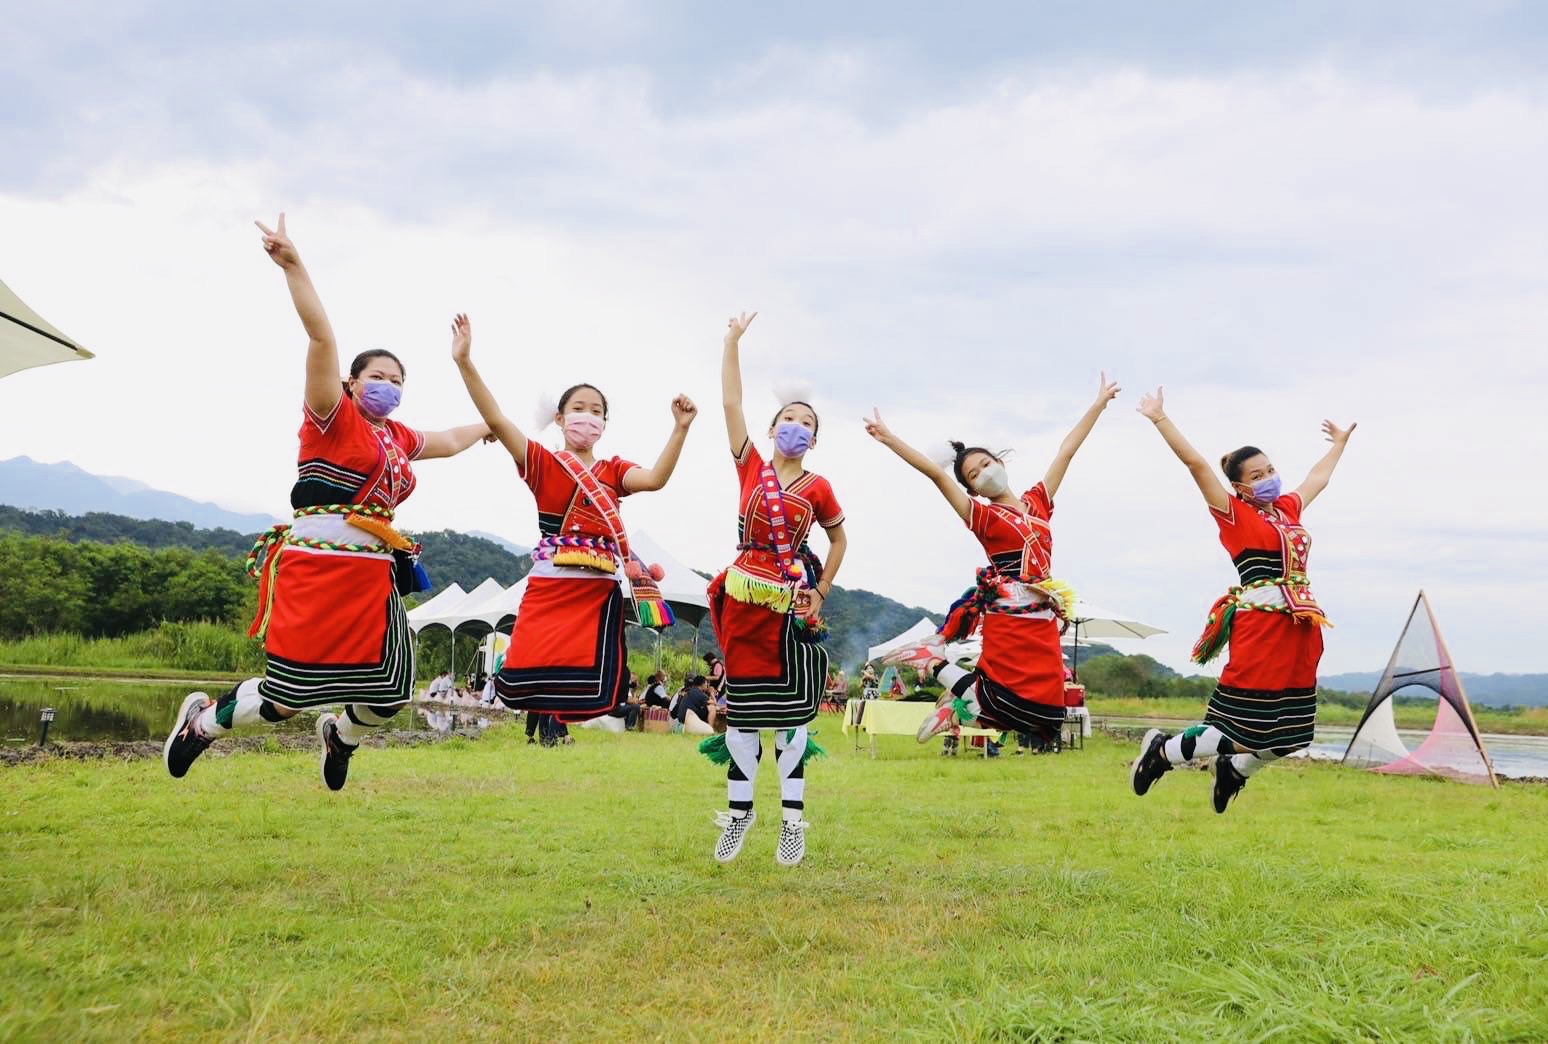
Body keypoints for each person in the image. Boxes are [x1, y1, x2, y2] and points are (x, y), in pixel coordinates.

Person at [163, 214, 491, 790]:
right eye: (378, 375)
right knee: (288, 694)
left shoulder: (397, 438)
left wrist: (493, 424)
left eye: (398, 379)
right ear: (352, 382)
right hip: (318, 569)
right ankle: (201, 725)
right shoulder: (330, 418)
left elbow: (448, 441)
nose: (388, 385)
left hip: (374, 576)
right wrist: (294, 265)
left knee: (391, 689)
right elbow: (321, 338)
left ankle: (341, 736)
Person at [451, 314, 698, 728]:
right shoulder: (543, 463)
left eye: (597, 410)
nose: (589, 416)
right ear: (560, 419)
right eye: (579, 409)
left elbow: (654, 479)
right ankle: (542, 723)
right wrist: (465, 363)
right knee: (522, 673)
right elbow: (496, 419)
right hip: (552, 583)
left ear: (604, 423)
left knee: (599, 687)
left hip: (598, 589)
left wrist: (680, 429)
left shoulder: (614, 470)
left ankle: (559, 725)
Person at [862, 373, 1119, 751]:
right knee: (1001, 701)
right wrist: (890, 438)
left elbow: (1065, 451)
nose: (984, 473)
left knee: (1047, 714)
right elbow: (935, 473)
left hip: (1043, 616)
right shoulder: (983, 518)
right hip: (1010, 616)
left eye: (985, 464)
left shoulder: (1037, 502)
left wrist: (1097, 404)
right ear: (971, 489)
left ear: (1000, 461)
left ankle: (954, 704)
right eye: (974, 475)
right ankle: (932, 663)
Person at [1129, 389, 1355, 812]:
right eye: (1257, 475)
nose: (1268, 477)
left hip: (1301, 626)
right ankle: (1162, 753)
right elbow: (1196, 464)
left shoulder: (1287, 510)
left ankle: (1235, 770)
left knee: (1293, 734)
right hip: (1262, 626)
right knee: (1241, 726)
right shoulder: (1234, 514)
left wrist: (1339, 445)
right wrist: (1160, 419)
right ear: (1239, 486)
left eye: (1270, 469)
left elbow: (1317, 478)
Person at [703, 312, 848, 868]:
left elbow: (839, 539)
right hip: (743, 597)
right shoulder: (750, 468)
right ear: (772, 429)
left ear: (815, 437)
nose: (797, 425)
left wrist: (824, 589)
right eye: (788, 417)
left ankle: (793, 822)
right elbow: (731, 405)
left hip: (790, 601)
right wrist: (732, 343)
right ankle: (740, 815)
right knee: (740, 715)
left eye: (806, 421)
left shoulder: (820, 487)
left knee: (789, 715)